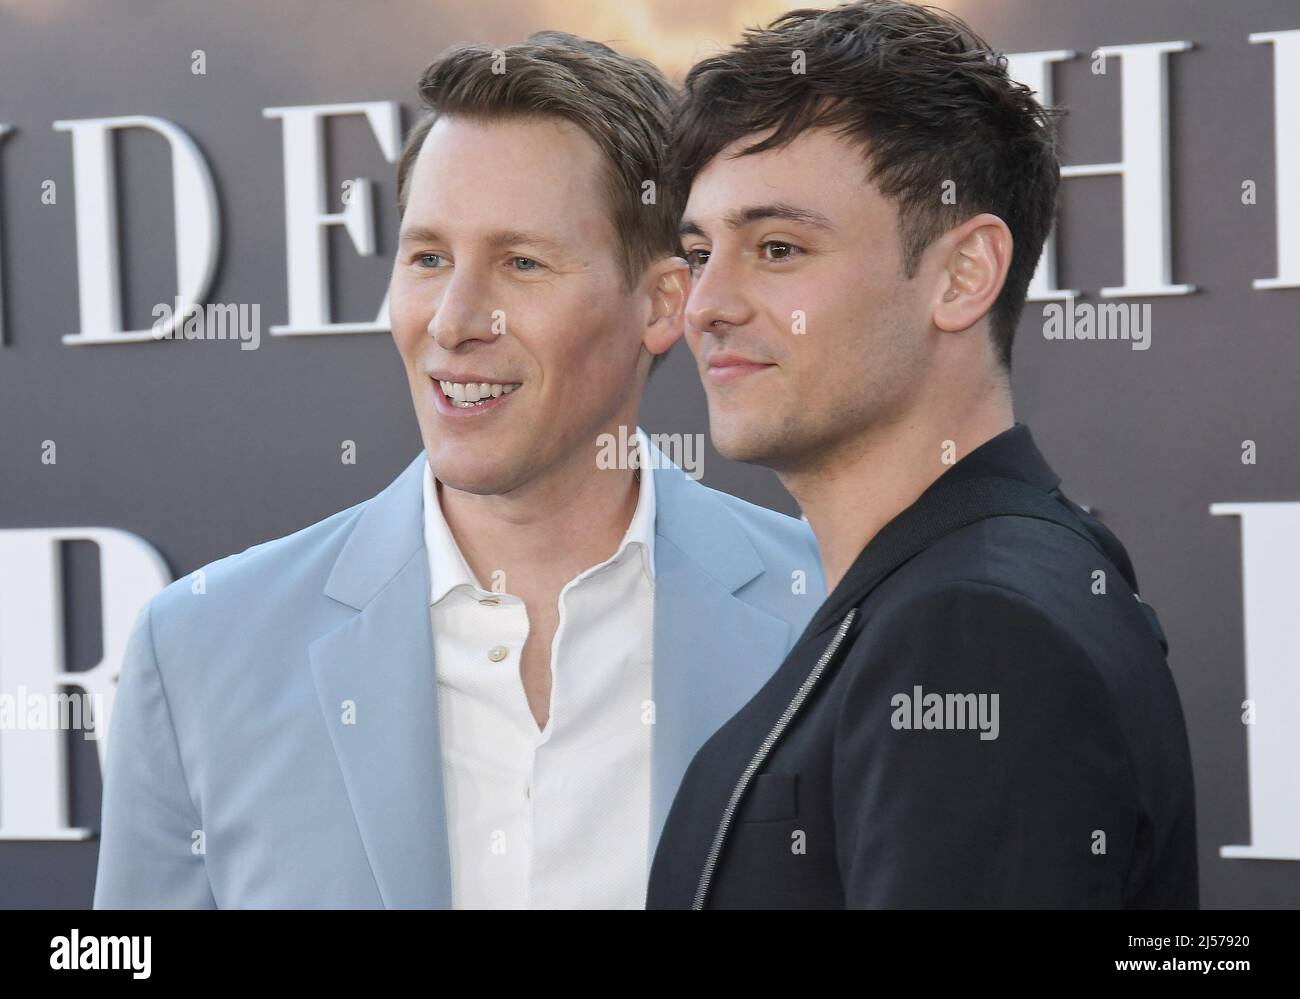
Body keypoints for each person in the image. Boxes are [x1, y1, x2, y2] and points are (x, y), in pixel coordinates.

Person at [93, 32, 821, 909]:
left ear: (662, 303)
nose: (456, 319)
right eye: (428, 258)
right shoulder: (200, 653)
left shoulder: (827, 614)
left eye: (520, 262)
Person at [647, 0, 1198, 908]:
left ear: (963, 274)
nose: (705, 303)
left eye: (777, 247)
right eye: (700, 251)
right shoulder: (963, 586)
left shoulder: (976, 630)